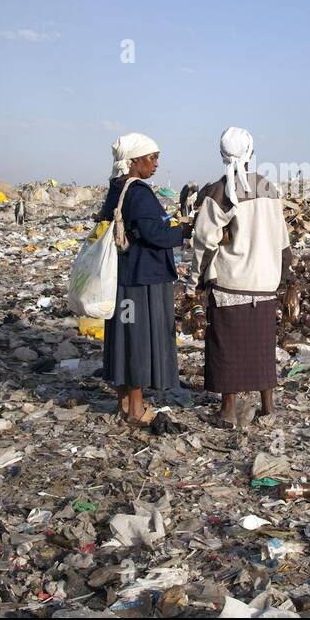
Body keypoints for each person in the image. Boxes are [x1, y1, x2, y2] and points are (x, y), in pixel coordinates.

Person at [187, 128, 293, 425]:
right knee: (262, 348)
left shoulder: (220, 191)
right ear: (250, 152)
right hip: (264, 284)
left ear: (222, 155)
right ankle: (268, 408)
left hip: (231, 282)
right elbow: (284, 245)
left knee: (227, 347)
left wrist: (196, 281)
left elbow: (204, 242)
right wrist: (282, 280)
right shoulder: (269, 188)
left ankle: (228, 410)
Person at [98, 133, 191, 426]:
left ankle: (124, 402)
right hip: (141, 279)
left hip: (122, 278)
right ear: (134, 161)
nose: (156, 164)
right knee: (138, 338)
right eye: (152, 158)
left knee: (123, 336)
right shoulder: (137, 191)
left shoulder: (117, 188)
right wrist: (186, 233)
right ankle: (137, 410)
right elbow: (155, 234)